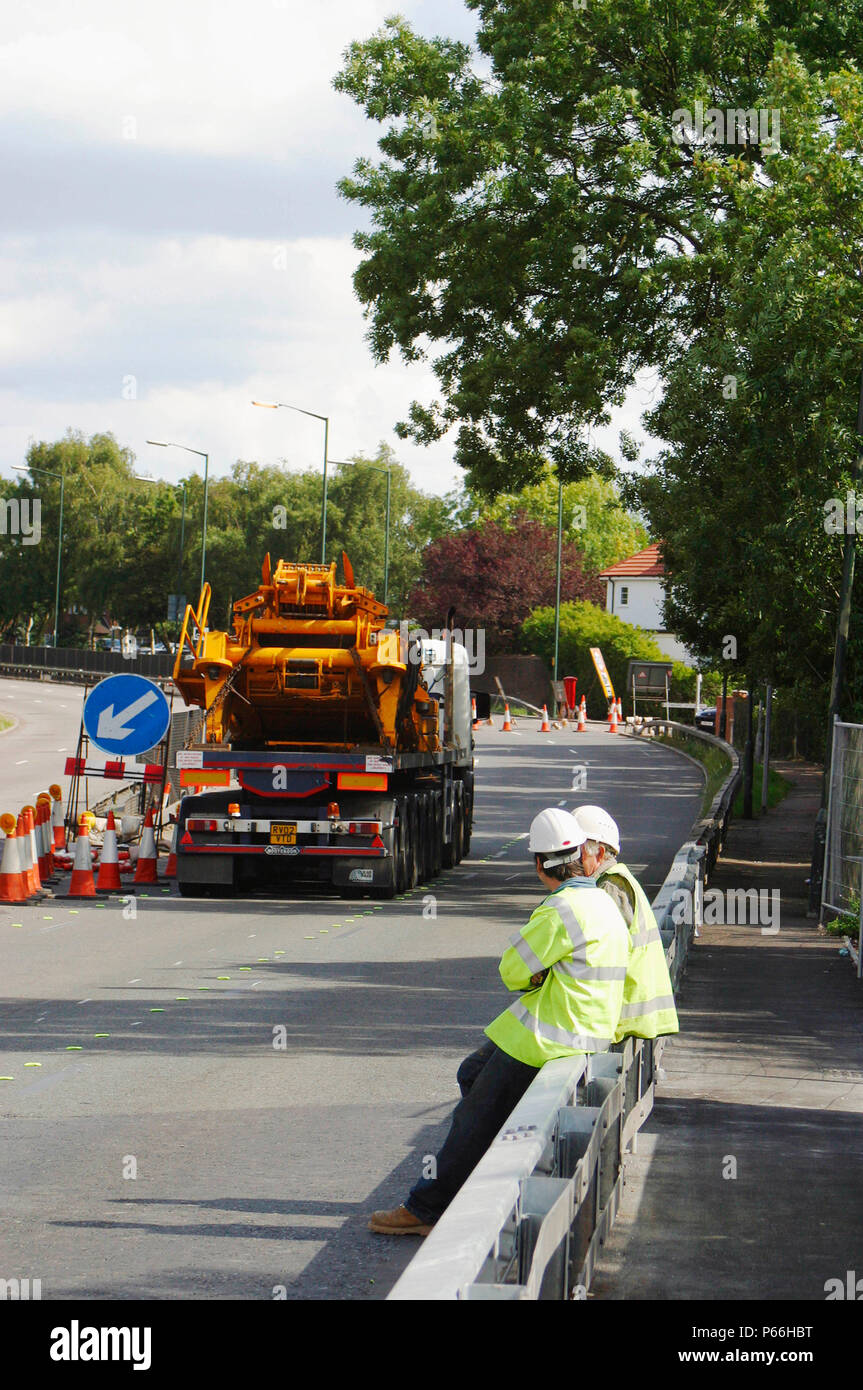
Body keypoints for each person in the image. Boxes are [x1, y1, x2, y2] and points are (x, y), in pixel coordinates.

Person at [368, 807, 630, 1236]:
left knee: (473, 1118)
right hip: (582, 1030)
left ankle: (426, 1208)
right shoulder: (601, 901)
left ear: (541, 864)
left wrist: (537, 971)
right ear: (580, 857)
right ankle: (475, 1174)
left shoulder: (562, 909)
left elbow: (512, 969)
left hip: (548, 1039)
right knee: (471, 1074)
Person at [572, 805, 679, 1041]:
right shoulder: (617, 879)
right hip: (635, 1015)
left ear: (598, 853)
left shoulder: (610, 887)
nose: (569, 861)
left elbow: (603, 954)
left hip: (626, 1018)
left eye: (575, 853)